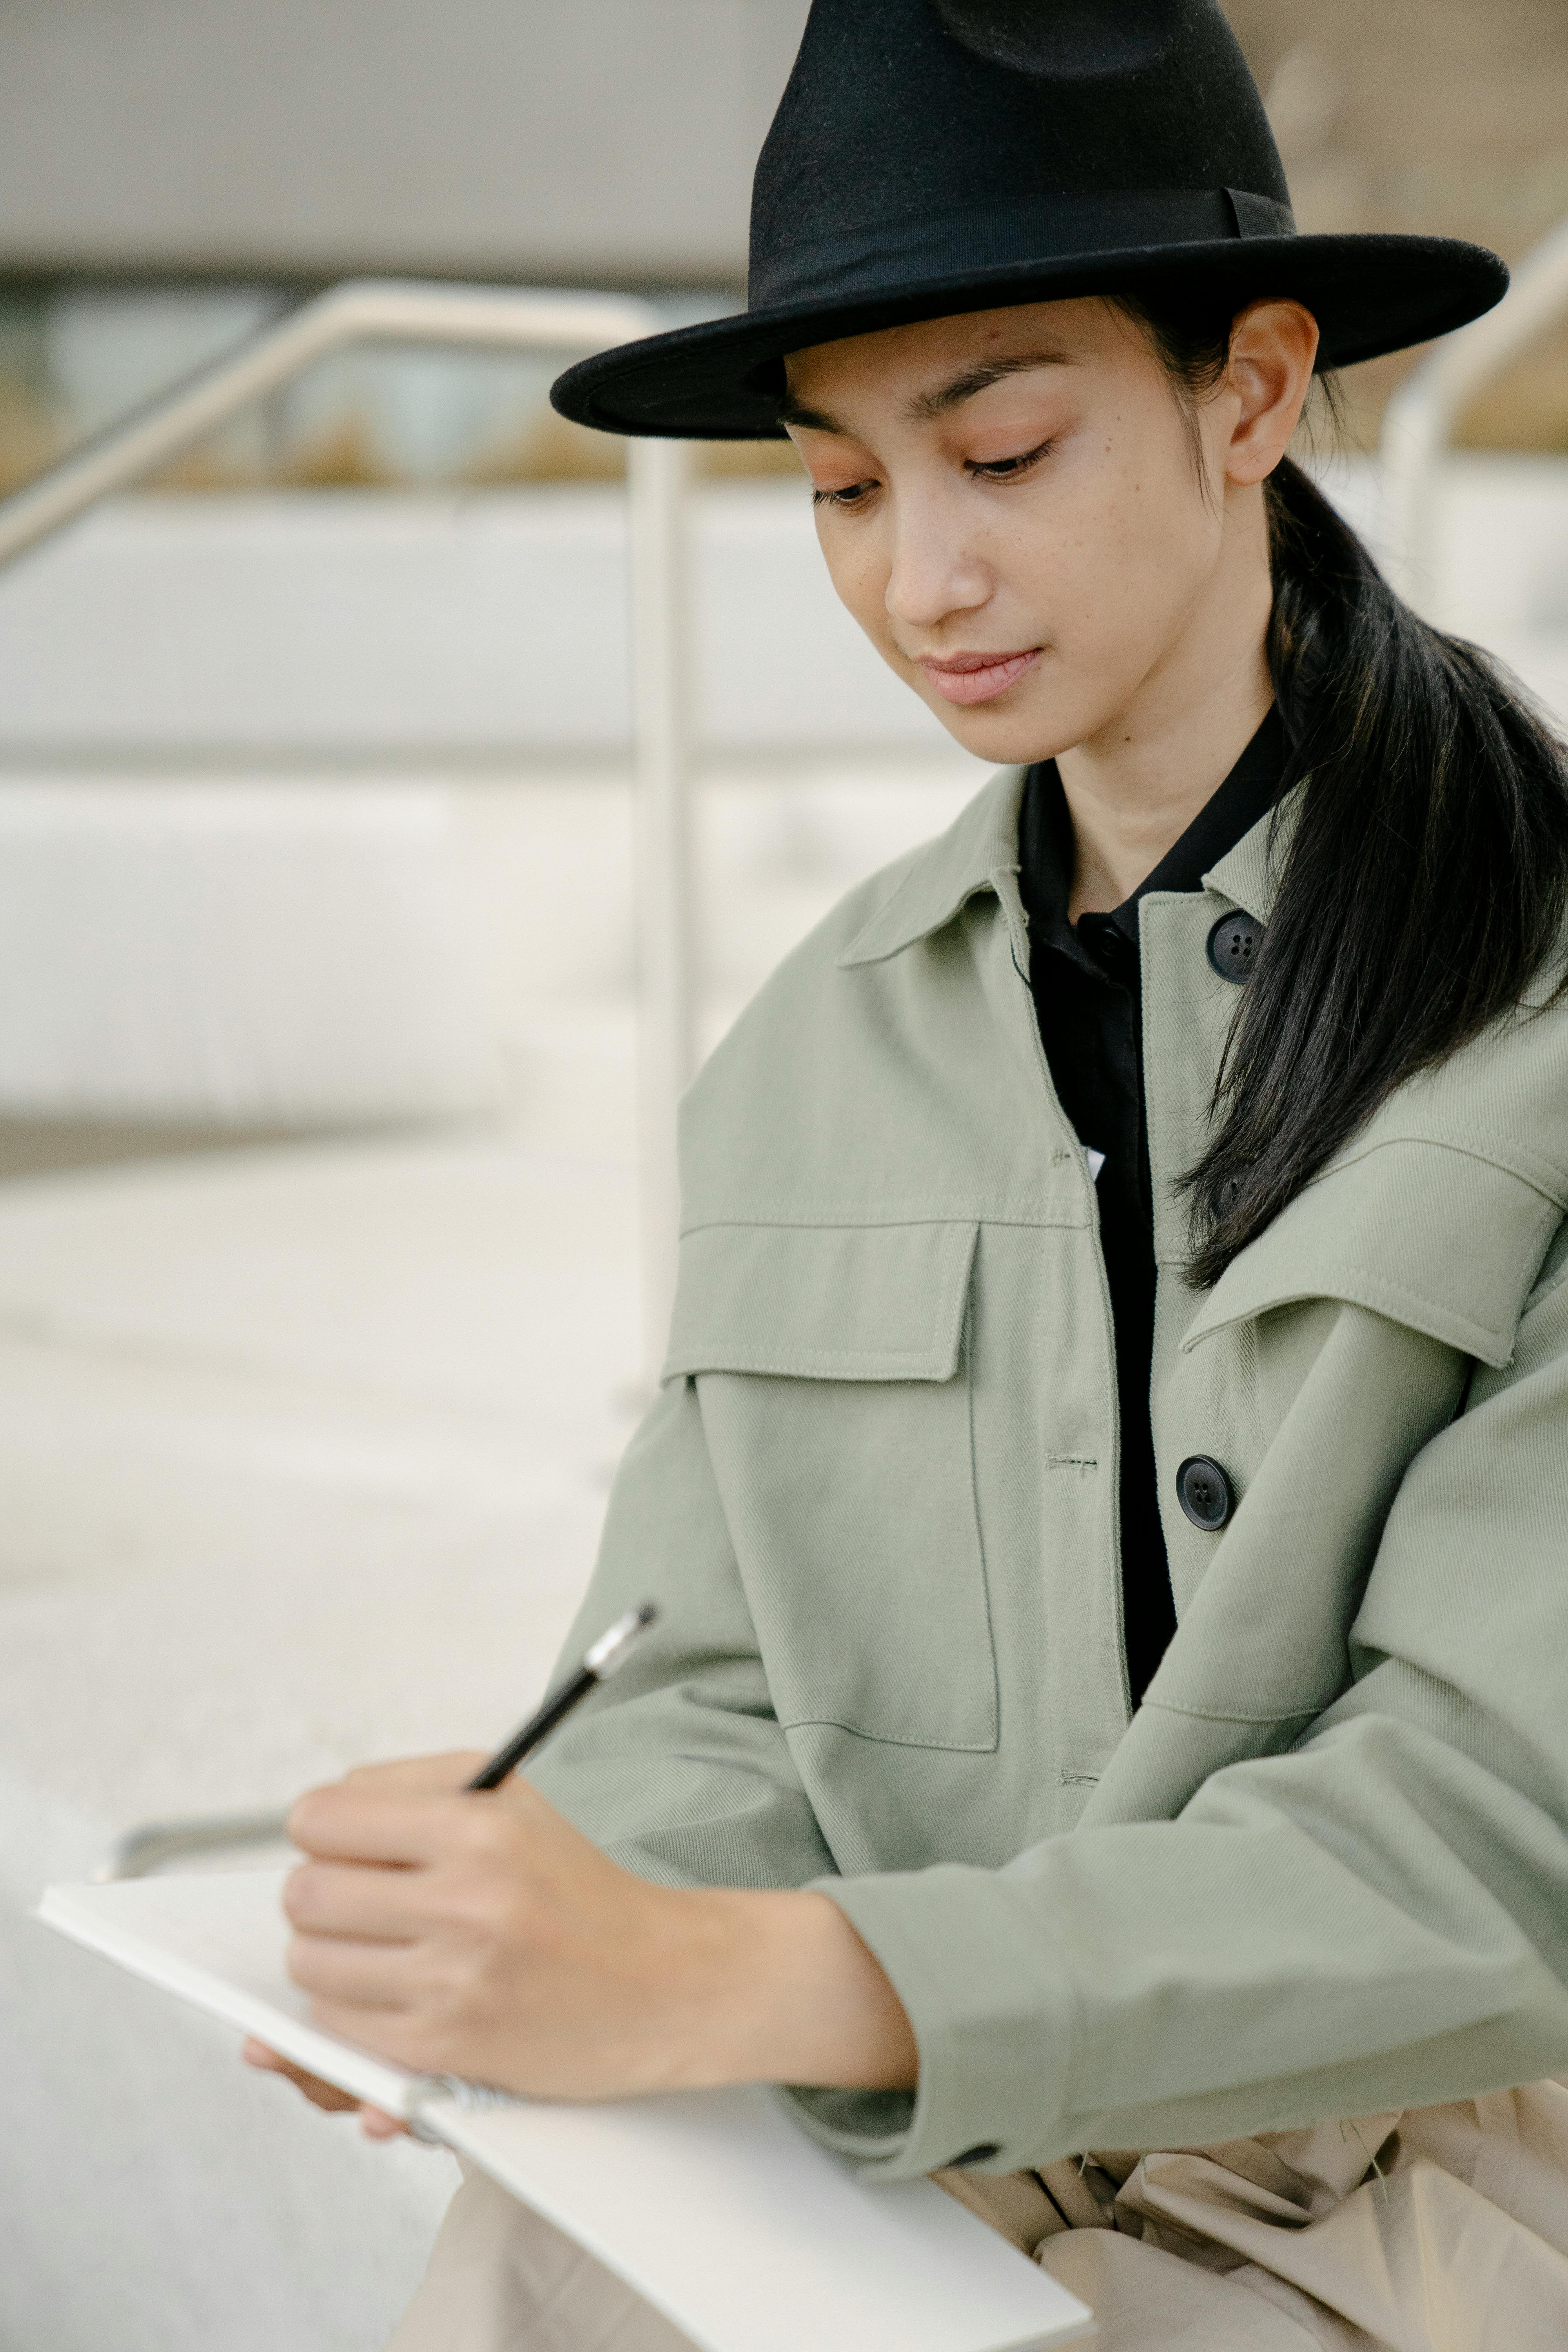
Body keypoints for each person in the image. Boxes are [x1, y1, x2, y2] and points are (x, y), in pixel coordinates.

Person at [249, 2, 1568, 2343]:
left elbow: (1496, 1839)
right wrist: (509, 1931)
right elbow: (700, 1685)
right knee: (534, 2260)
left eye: (1006, 452)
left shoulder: (1535, 987)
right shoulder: (817, 1048)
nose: (922, 579)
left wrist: (749, 1978)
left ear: (1254, 393)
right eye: (845, 490)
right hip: (936, 2096)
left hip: (1441, 2140)